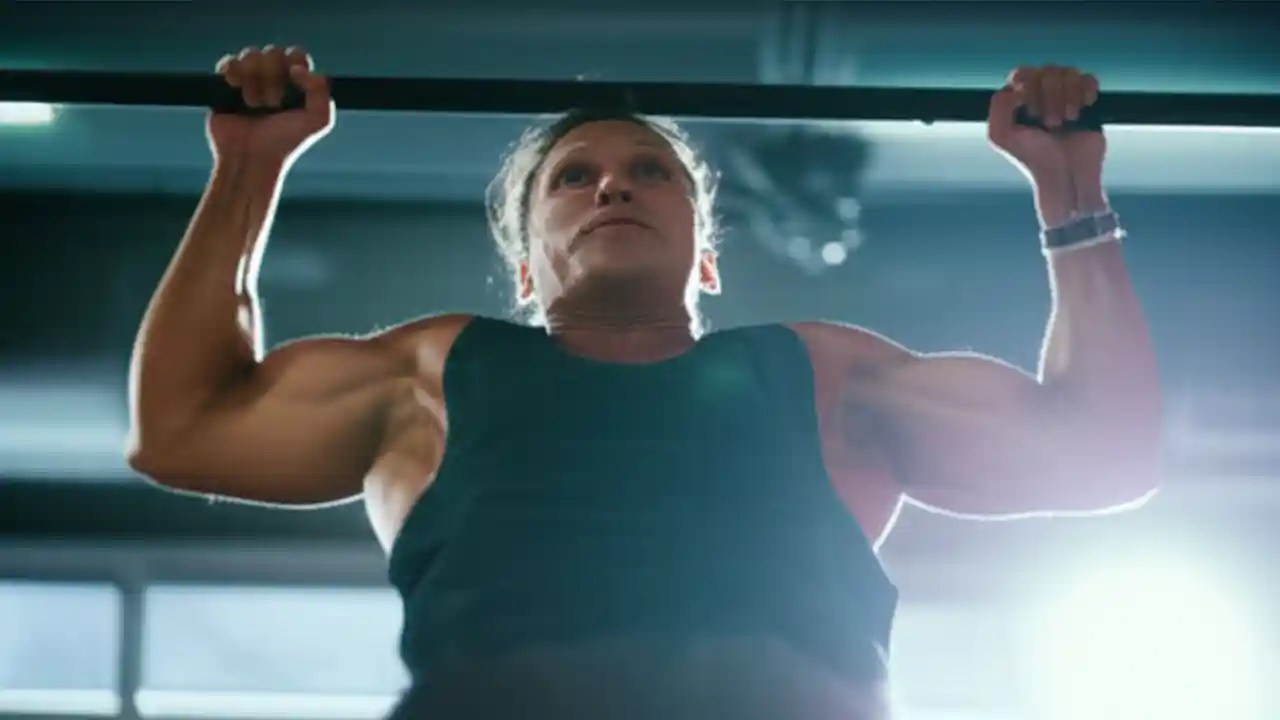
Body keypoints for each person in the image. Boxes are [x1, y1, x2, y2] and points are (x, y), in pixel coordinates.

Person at [125, 45, 1164, 720]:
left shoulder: (820, 371)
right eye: (572, 179)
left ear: (704, 258)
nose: (612, 182)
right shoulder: (430, 375)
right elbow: (180, 428)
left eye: (648, 171)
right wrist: (248, 169)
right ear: (525, 265)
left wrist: (1068, 192)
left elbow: (1102, 450)